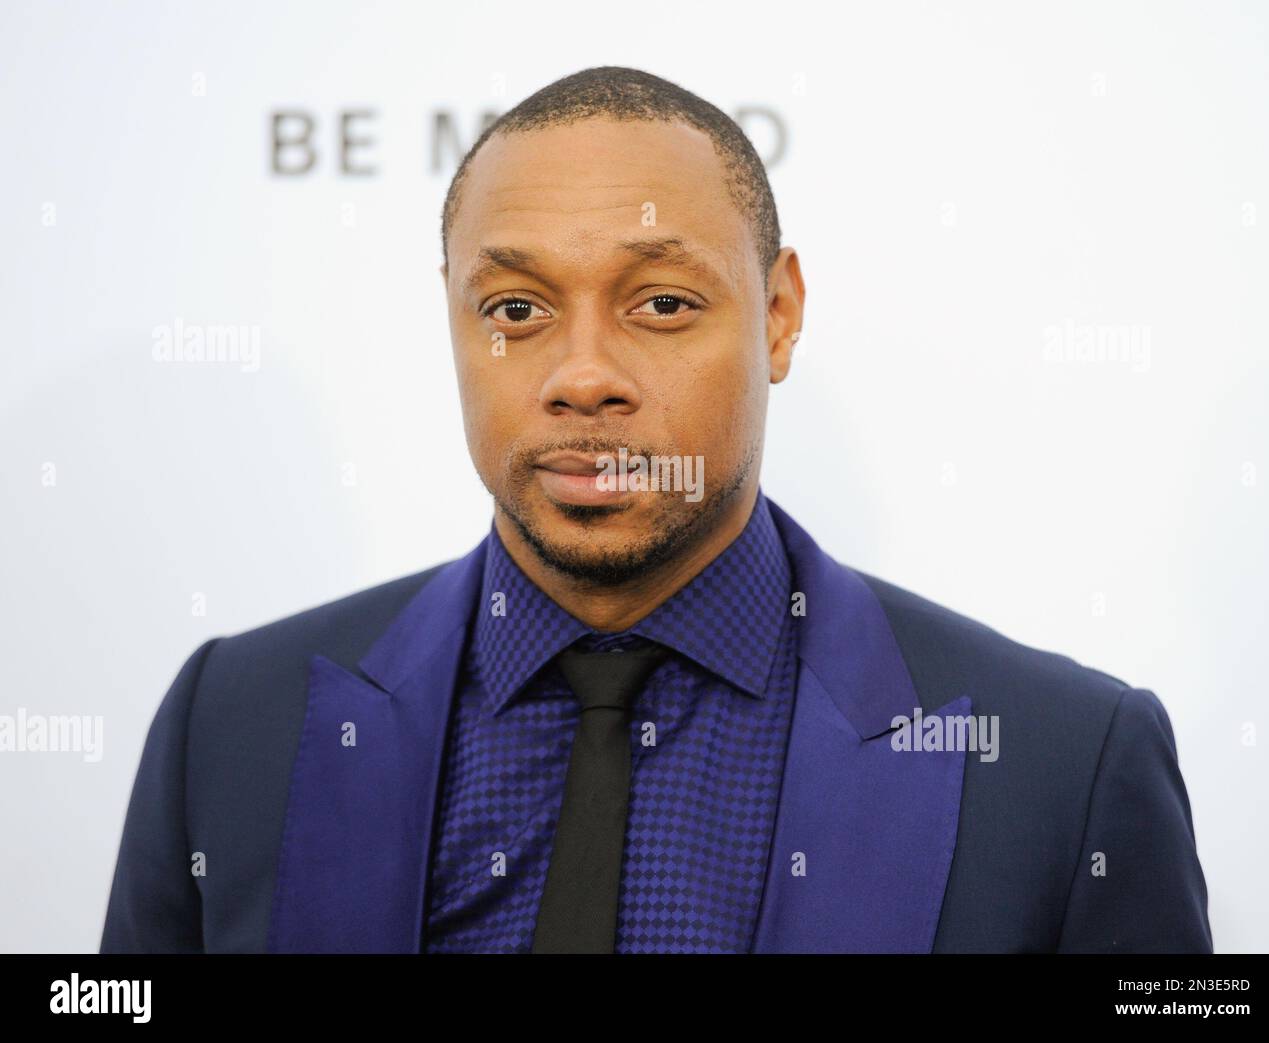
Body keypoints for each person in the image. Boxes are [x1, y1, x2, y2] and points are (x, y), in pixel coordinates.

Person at [100, 66, 1211, 954]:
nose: (583, 375)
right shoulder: (233, 724)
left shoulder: (1063, 765)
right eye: (517, 307)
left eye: (663, 302)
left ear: (778, 317)